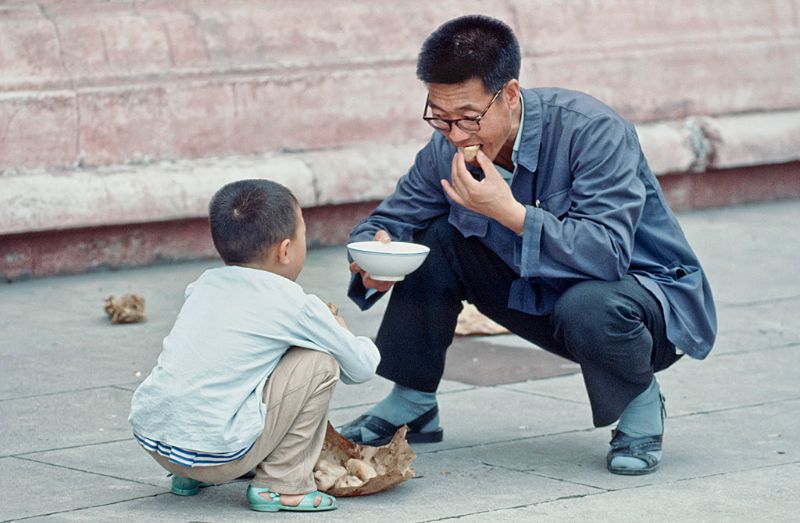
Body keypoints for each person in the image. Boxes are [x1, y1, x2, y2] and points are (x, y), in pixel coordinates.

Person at [338, 15, 716, 476]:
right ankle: (413, 400)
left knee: (590, 304)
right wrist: (372, 255)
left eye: (469, 118)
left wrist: (510, 212)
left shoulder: (592, 130)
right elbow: (389, 220)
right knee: (432, 239)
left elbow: (607, 252)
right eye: (441, 117)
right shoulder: (447, 148)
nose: (456, 135)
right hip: (536, 292)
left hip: (641, 304)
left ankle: (640, 399)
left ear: (511, 94)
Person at [129, 179, 380, 512]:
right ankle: (283, 485)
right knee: (320, 361)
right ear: (285, 250)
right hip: (219, 456)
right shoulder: (294, 303)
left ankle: (188, 476)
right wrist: (343, 332)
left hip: (158, 443)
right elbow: (361, 368)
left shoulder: (203, 285)